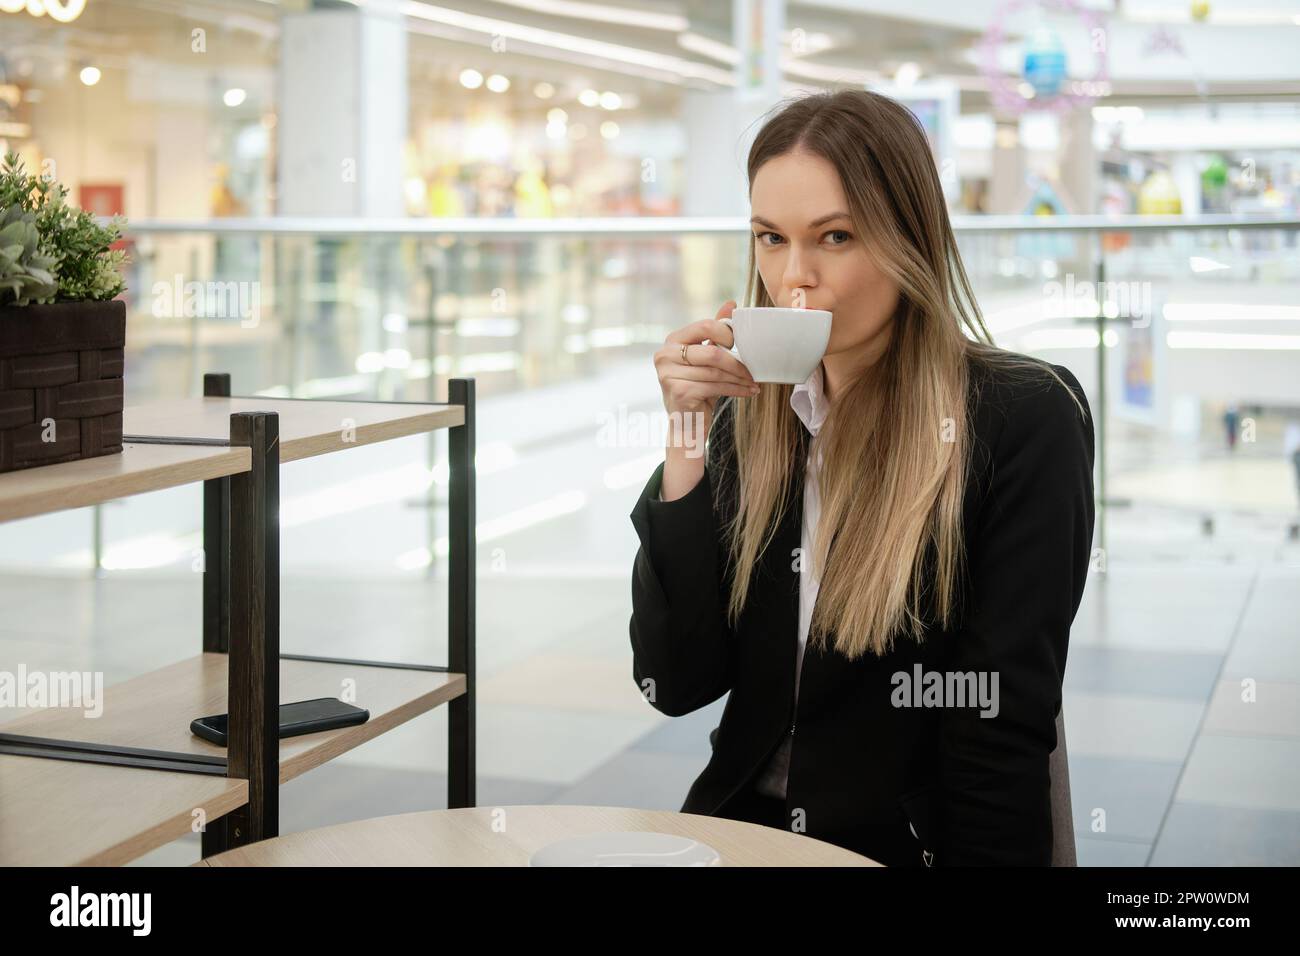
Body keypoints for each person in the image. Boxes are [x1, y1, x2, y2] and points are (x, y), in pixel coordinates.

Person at [628, 90, 1095, 867]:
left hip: (903, 848)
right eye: (770, 239)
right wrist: (685, 441)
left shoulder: (1022, 418)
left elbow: (995, 726)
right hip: (738, 834)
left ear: (908, 238)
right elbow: (675, 683)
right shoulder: (750, 423)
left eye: (835, 236)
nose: (795, 279)